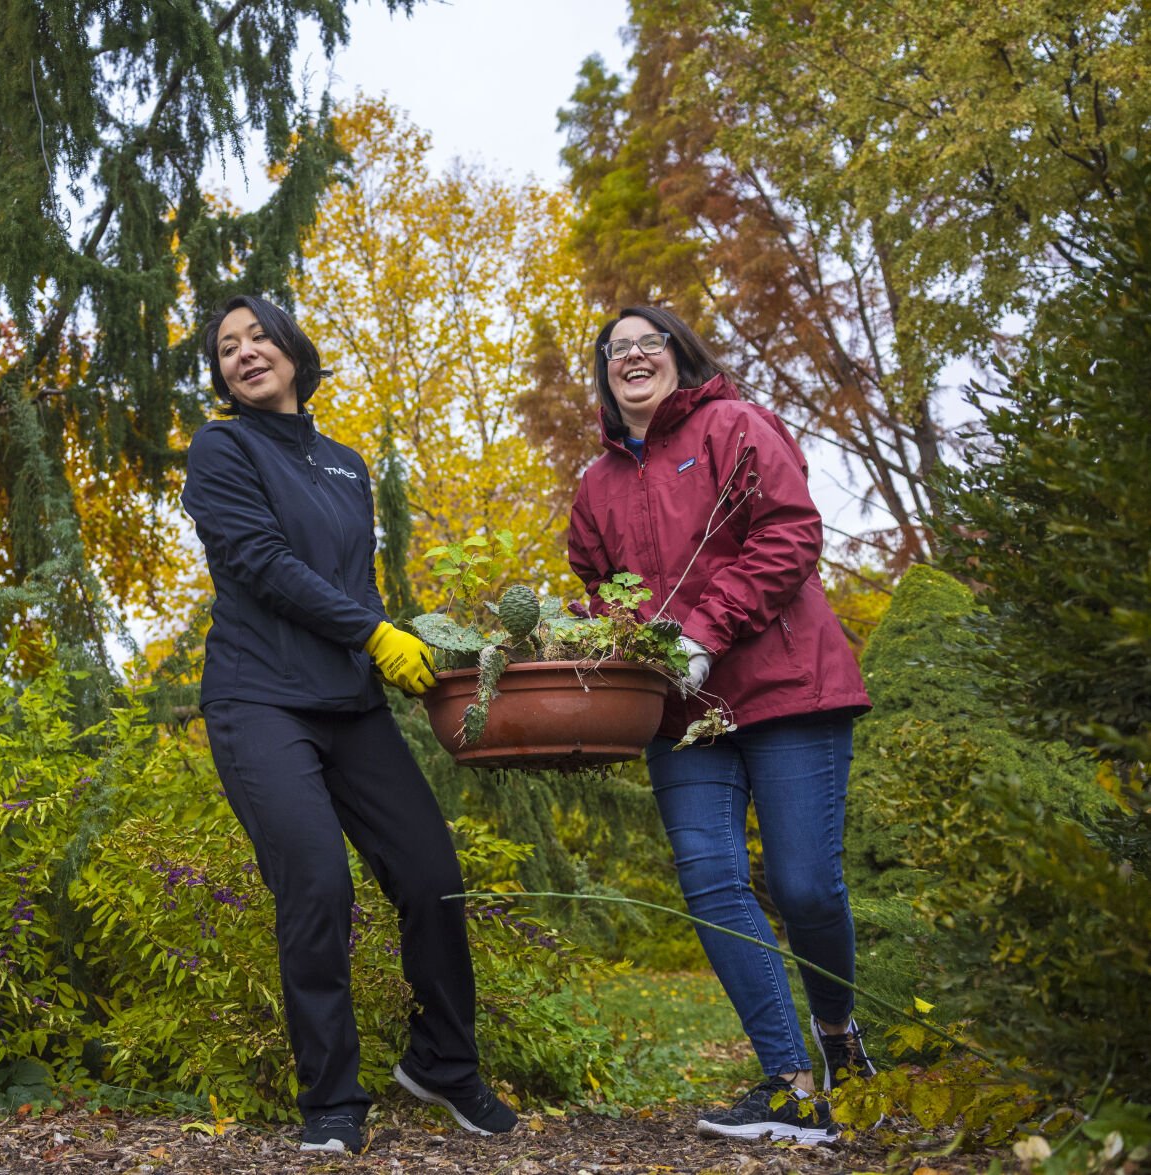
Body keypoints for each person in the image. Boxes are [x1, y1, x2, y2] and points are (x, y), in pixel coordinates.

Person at [180, 294, 518, 1154]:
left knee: (431, 875)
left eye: (259, 336)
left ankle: (444, 1062)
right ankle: (330, 1099)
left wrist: (410, 660)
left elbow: (354, 586)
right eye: (227, 348)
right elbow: (259, 562)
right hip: (258, 697)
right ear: (220, 373)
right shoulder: (223, 447)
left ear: (294, 349)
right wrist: (370, 632)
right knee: (317, 888)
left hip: (349, 702)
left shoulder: (344, 463)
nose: (245, 353)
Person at [565, 306, 876, 1144]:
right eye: (614, 349)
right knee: (710, 886)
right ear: (604, 372)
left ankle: (839, 1035)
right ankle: (788, 1084)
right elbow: (596, 586)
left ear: (677, 355)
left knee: (807, 885)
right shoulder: (595, 483)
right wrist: (613, 641)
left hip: (785, 685)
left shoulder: (735, 426)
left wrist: (702, 632)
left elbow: (789, 533)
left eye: (647, 343)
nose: (631, 356)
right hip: (676, 709)